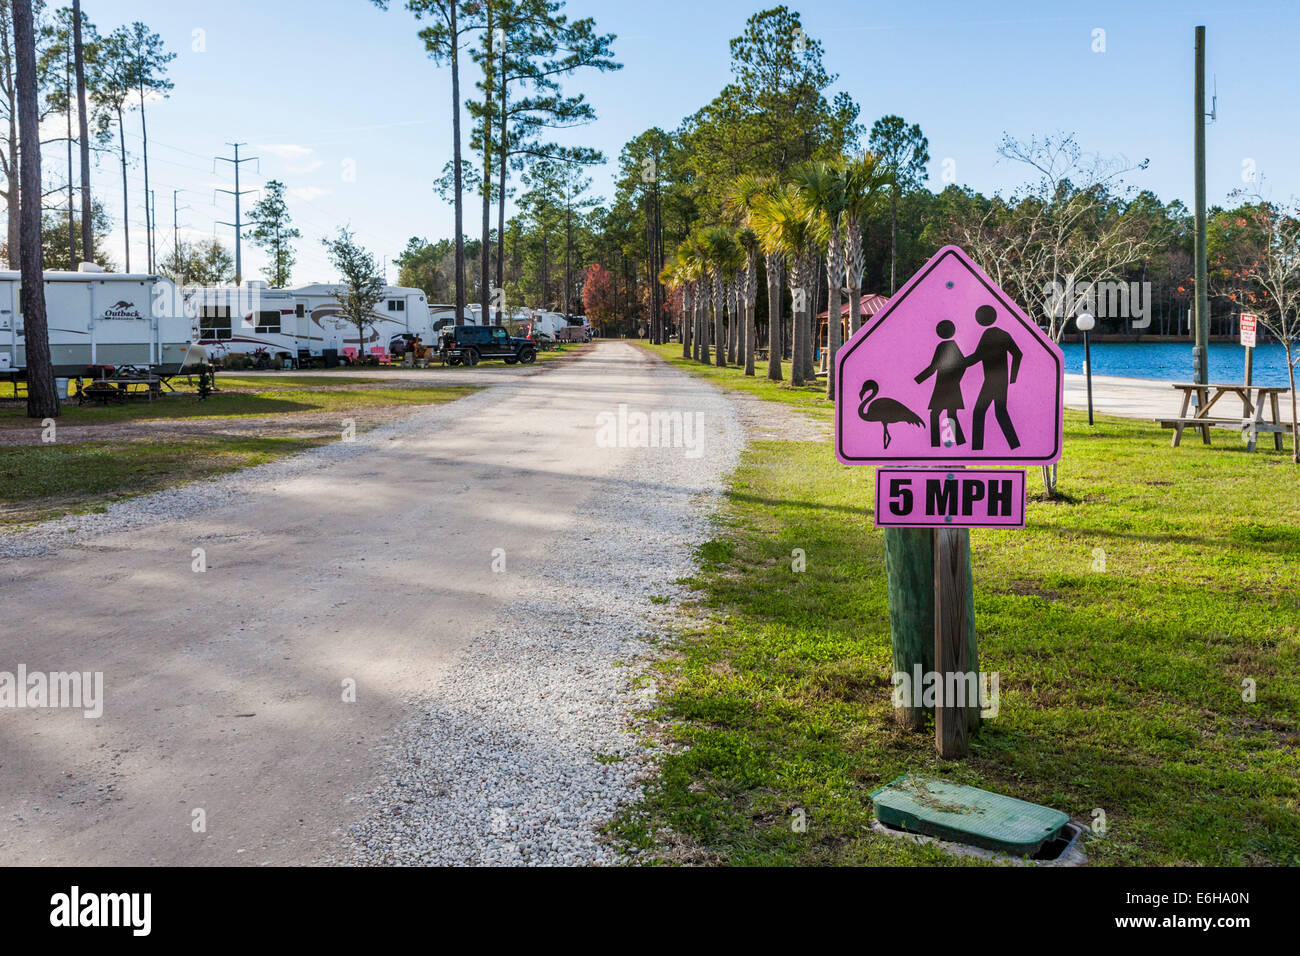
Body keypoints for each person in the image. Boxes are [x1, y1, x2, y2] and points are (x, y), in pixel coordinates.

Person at [965, 304, 1022, 451]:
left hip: (991, 380)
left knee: (979, 412)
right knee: (1000, 412)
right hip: (1001, 380)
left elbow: (977, 356)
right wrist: (1012, 377)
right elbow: (1018, 354)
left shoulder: (988, 335)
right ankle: (1015, 446)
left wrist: (958, 363)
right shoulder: (1003, 333)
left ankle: (977, 448)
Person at [914, 319, 967, 447]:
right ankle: (959, 442)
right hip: (950, 386)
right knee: (950, 414)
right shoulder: (953, 345)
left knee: (936, 414)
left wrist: (917, 380)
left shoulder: (943, 346)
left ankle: (936, 443)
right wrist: (956, 380)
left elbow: (934, 367)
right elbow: (963, 365)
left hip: (943, 386)